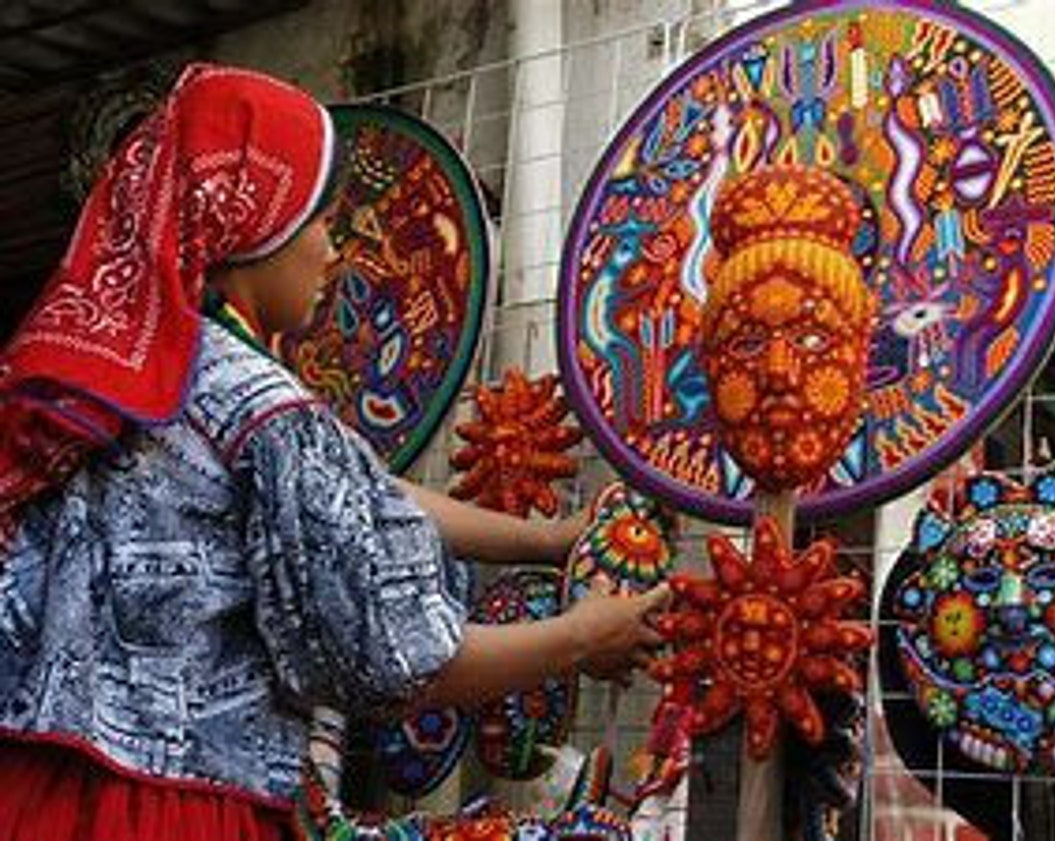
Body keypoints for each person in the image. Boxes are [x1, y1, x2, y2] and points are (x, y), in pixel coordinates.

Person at [0, 63, 666, 841]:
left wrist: (547, 539)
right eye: (322, 221)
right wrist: (583, 636)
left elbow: (352, 496)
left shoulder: (88, 382)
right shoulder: (265, 408)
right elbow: (390, 661)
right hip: (185, 811)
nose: (336, 251)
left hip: (39, 789)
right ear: (256, 227)